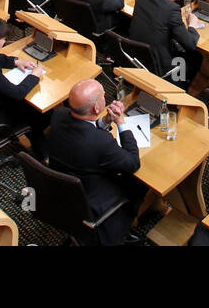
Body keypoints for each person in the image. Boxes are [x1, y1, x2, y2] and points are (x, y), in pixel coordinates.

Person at [44, 78, 143, 245]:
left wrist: (105, 121)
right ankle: (126, 222)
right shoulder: (100, 142)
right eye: (104, 95)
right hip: (94, 201)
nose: (106, 97)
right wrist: (121, 124)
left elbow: (84, 128)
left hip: (64, 189)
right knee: (139, 182)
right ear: (96, 108)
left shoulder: (59, 115)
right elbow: (133, 162)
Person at [130, 0, 203, 83]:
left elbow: (157, 13)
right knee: (196, 57)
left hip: (139, 58)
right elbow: (190, 44)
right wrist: (192, 25)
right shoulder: (172, 9)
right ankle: (178, 90)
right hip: (160, 66)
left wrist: (167, 2)